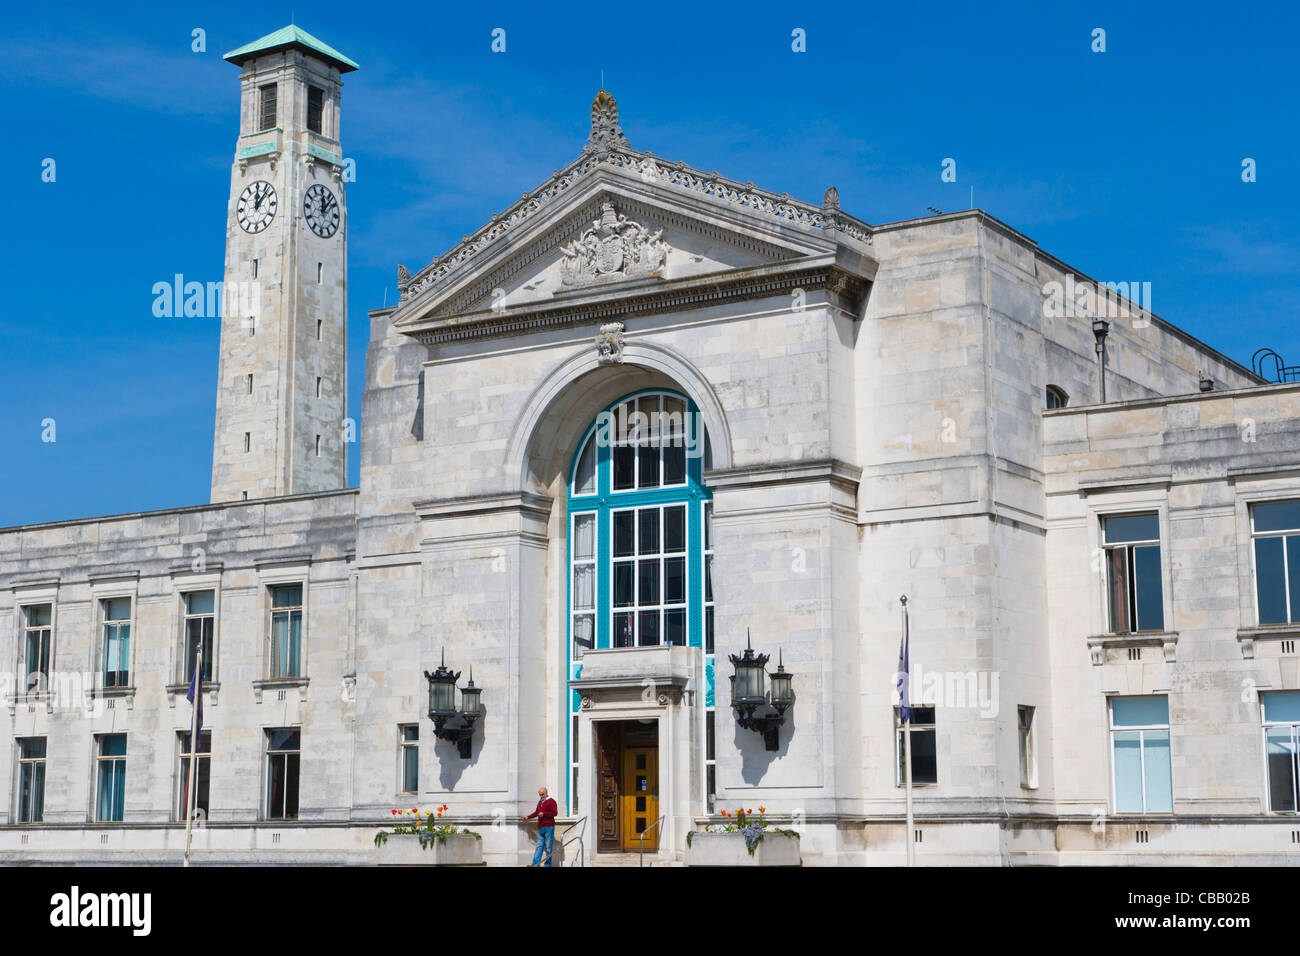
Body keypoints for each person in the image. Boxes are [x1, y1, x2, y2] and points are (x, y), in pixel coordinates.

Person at [522, 786, 558, 867]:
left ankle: (547, 865)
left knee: (548, 847)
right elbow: (536, 812)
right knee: (539, 847)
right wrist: (528, 817)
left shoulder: (552, 801)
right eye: (539, 795)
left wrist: (544, 814)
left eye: (542, 794)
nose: (541, 796)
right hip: (541, 827)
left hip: (549, 827)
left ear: (546, 793)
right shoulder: (540, 802)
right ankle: (535, 864)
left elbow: (555, 813)